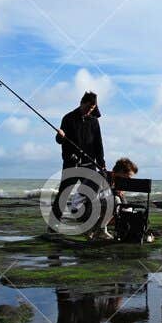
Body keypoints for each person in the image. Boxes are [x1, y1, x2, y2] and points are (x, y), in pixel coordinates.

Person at [53, 91, 106, 228]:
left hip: (89, 164)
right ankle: (53, 224)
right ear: (82, 103)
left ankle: (89, 222)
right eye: (88, 107)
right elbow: (60, 141)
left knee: (92, 194)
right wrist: (60, 136)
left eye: (92, 109)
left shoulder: (94, 121)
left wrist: (102, 163)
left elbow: (98, 144)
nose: (89, 111)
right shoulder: (68, 118)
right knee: (63, 194)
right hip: (71, 163)